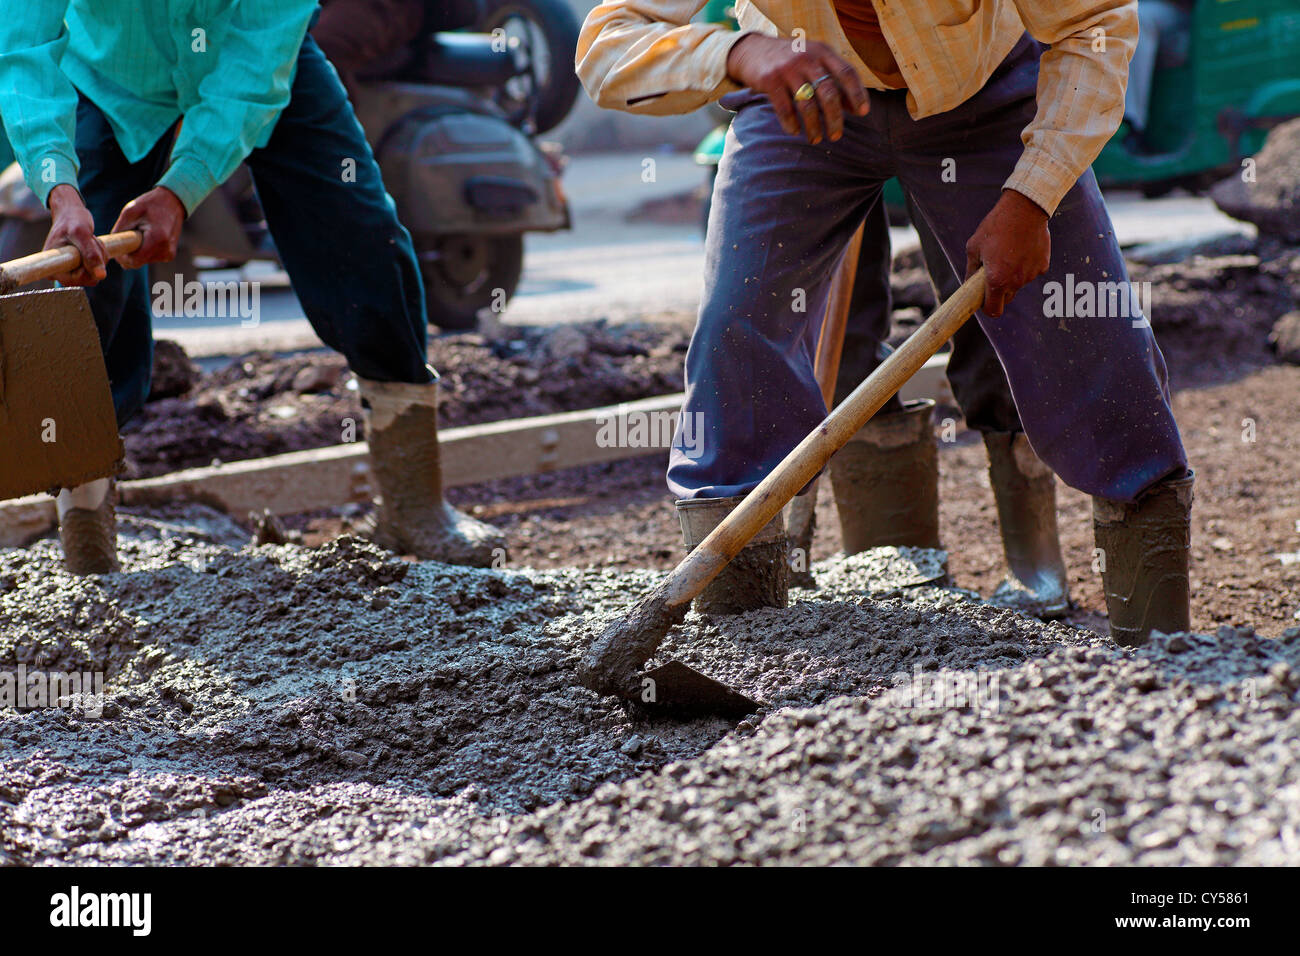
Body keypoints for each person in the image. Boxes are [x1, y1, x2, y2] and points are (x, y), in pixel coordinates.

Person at [578, 0, 1194, 645]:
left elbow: (1094, 26)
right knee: (737, 330)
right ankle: (739, 652)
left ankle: (1158, 651)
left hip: (984, 102)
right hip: (800, 100)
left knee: (1096, 341)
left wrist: (1034, 193)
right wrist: (738, 54)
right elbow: (606, 46)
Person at [0, 1, 504, 574]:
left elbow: (255, 63)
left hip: (260, 61)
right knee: (81, 300)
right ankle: (87, 533)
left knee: (362, 236)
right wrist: (59, 187)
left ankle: (415, 506)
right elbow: (21, 46)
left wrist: (180, 188)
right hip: (105, 70)